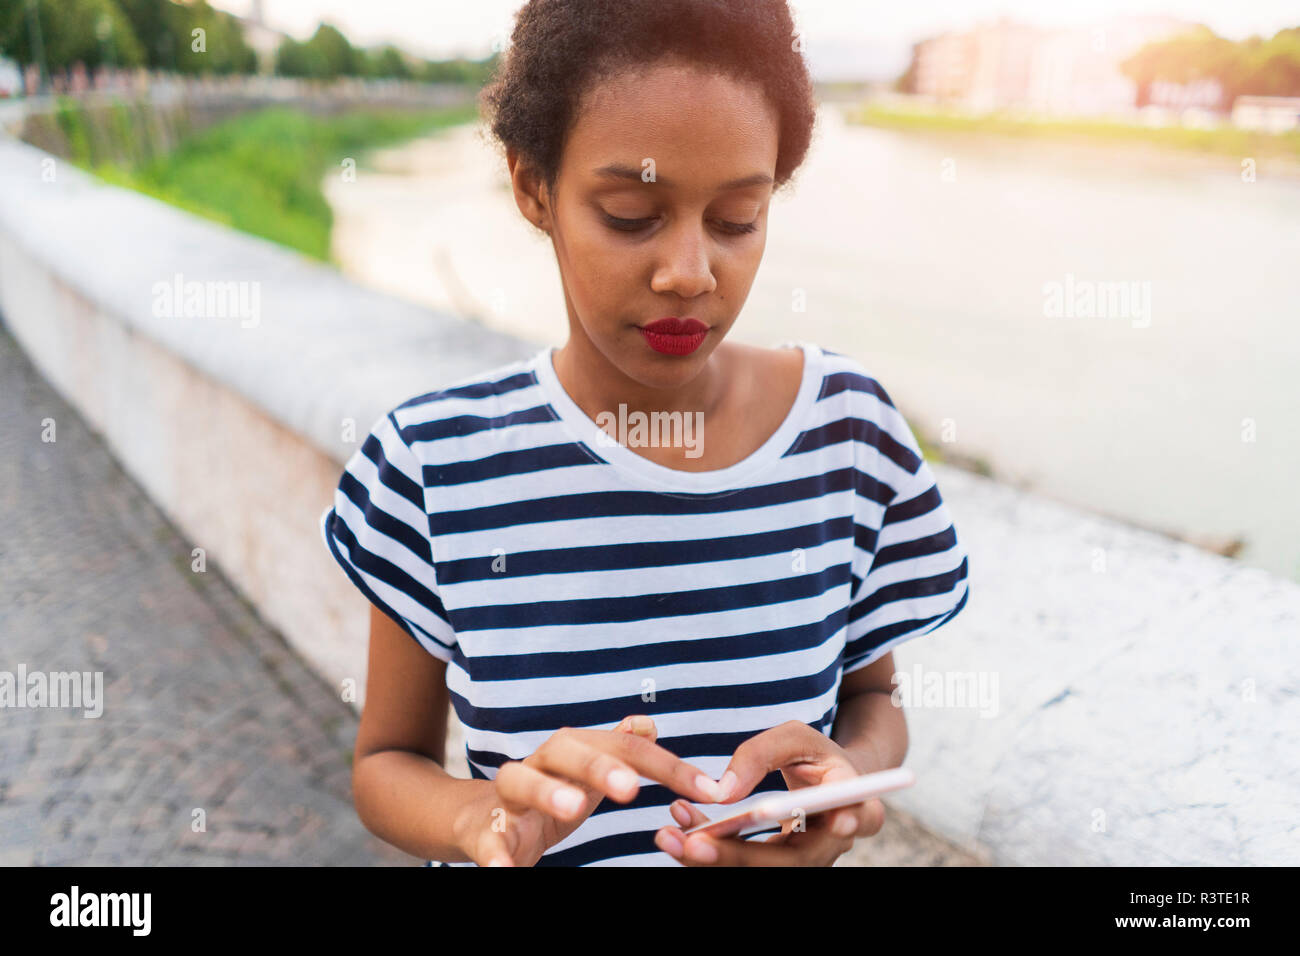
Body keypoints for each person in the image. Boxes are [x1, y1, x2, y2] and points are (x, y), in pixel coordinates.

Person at [320, 0, 970, 867]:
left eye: (738, 219)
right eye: (631, 214)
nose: (690, 274)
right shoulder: (433, 468)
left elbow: (876, 703)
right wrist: (483, 821)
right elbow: (385, 764)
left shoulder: (849, 438)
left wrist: (845, 781)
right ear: (532, 187)